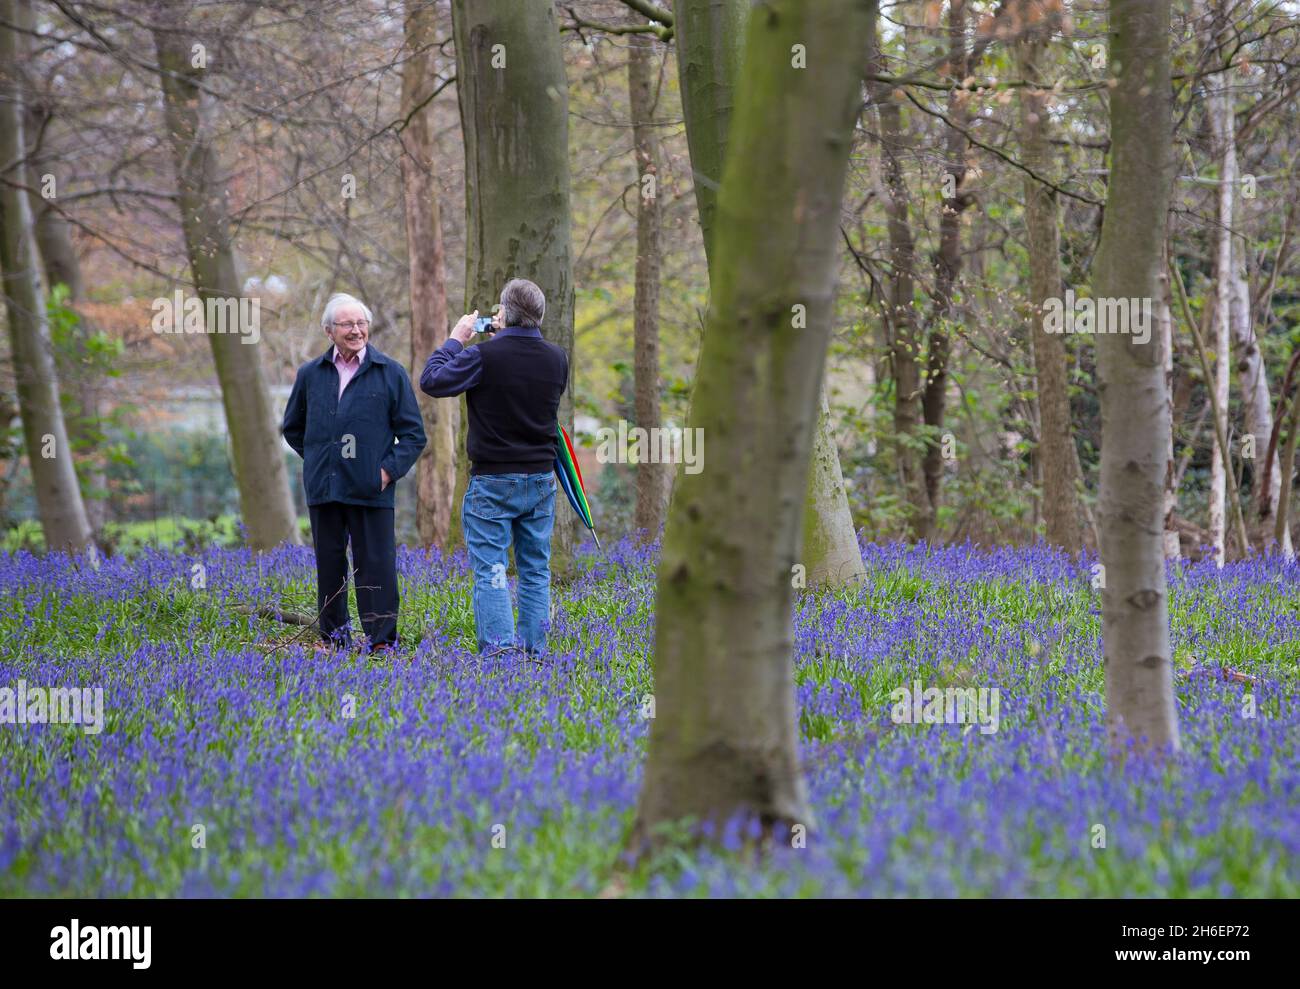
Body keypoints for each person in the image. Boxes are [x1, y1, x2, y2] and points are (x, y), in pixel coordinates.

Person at [420, 278, 568, 654]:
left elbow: (433, 381)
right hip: (539, 480)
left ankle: (501, 656)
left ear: (503, 313)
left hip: (493, 480)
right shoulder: (557, 358)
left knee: (493, 570)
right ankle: (535, 653)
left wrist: (456, 339)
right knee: (535, 570)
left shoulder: (483, 356)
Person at [282, 293, 426, 654]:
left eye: (361, 323)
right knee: (329, 566)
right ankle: (334, 639)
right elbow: (293, 428)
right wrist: (321, 459)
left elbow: (413, 435)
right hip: (325, 489)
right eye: (347, 324)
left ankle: (381, 642)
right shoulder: (310, 374)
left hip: (371, 490)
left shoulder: (389, 372)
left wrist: (385, 473)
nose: (356, 330)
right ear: (329, 330)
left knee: (376, 566)